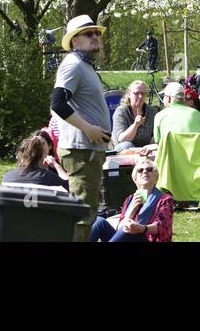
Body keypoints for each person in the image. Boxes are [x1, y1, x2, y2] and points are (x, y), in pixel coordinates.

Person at [50, 14, 115, 243]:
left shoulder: (83, 65)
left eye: (97, 32)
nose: (95, 36)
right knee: (82, 215)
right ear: (74, 41)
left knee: (86, 213)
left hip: (89, 150)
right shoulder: (73, 64)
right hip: (81, 151)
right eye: (89, 33)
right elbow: (57, 103)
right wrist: (88, 129)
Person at [89, 159, 173, 242]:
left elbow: (162, 227)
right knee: (99, 221)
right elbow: (120, 228)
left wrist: (142, 228)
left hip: (148, 239)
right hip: (125, 237)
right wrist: (133, 210)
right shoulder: (130, 199)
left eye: (149, 169)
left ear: (155, 178)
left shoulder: (164, 199)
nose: (145, 172)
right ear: (135, 179)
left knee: (129, 230)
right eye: (140, 170)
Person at [2, 134, 68, 189]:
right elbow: (71, 187)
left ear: (20, 156)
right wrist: (56, 165)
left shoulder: (8, 177)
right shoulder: (50, 178)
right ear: (42, 156)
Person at [112, 80, 158, 147]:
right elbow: (122, 140)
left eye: (143, 93)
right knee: (126, 145)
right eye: (136, 93)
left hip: (144, 149)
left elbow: (155, 136)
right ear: (129, 94)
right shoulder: (121, 111)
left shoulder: (152, 111)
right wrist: (135, 125)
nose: (140, 96)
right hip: (123, 150)